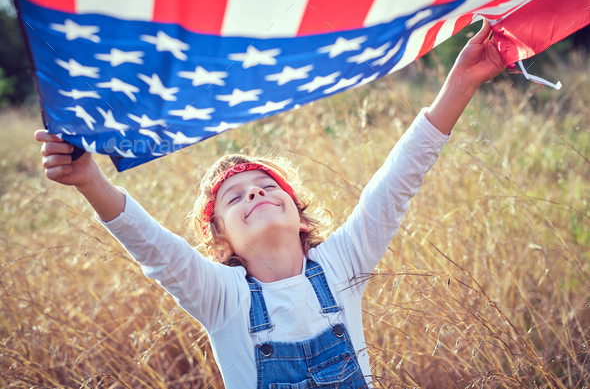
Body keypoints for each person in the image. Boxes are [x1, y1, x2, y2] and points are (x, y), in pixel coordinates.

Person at [35, 20, 505, 389]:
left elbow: (398, 180)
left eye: (265, 185)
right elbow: (153, 249)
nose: (254, 193)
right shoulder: (220, 297)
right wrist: (89, 179)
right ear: (220, 237)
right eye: (234, 198)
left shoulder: (343, 264)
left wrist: (459, 84)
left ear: (299, 216)